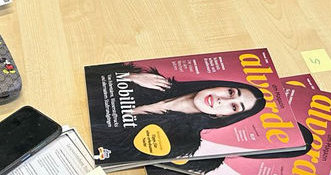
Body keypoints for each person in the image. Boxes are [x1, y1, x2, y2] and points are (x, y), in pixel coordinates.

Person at [87, 64, 267, 160]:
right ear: (221, 85)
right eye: (231, 92)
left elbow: (109, 151)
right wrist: (129, 76)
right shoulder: (153, 81)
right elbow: (89, 79)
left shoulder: (185, 141)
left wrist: (138, 112)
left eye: (234, 107)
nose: (223, 100)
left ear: (224, 116)